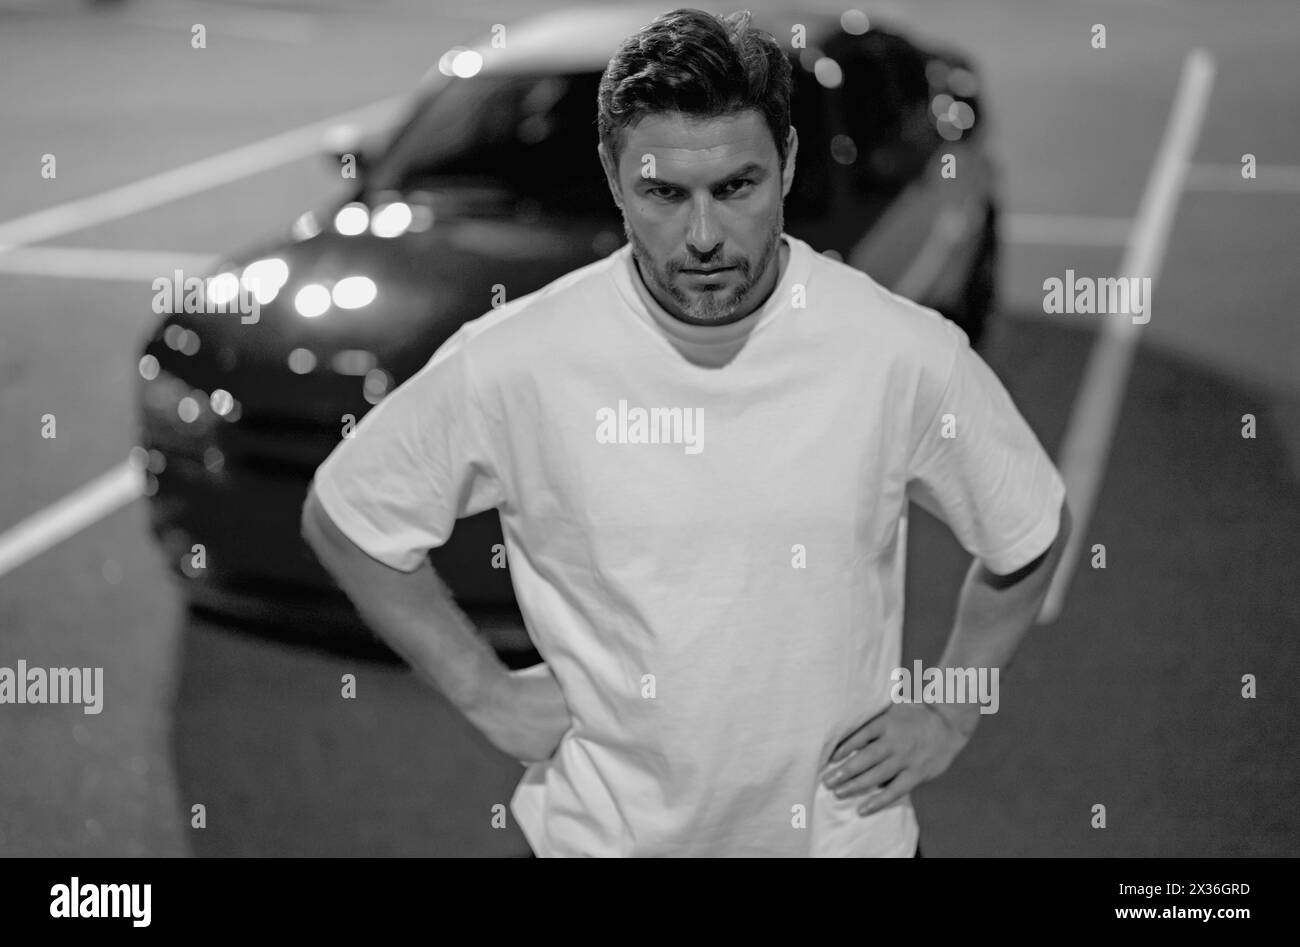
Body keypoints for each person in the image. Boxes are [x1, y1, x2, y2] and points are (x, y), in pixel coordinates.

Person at [301, 8, 1071, 857]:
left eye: (736, 188)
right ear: (613, 175)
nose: (703, 236)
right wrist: (484, 691)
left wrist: (952, 710)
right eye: (664, 193)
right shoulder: (519, 361)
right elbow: (347, 518)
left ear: (785, 163)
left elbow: (1030, 528)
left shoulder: (898, 352)